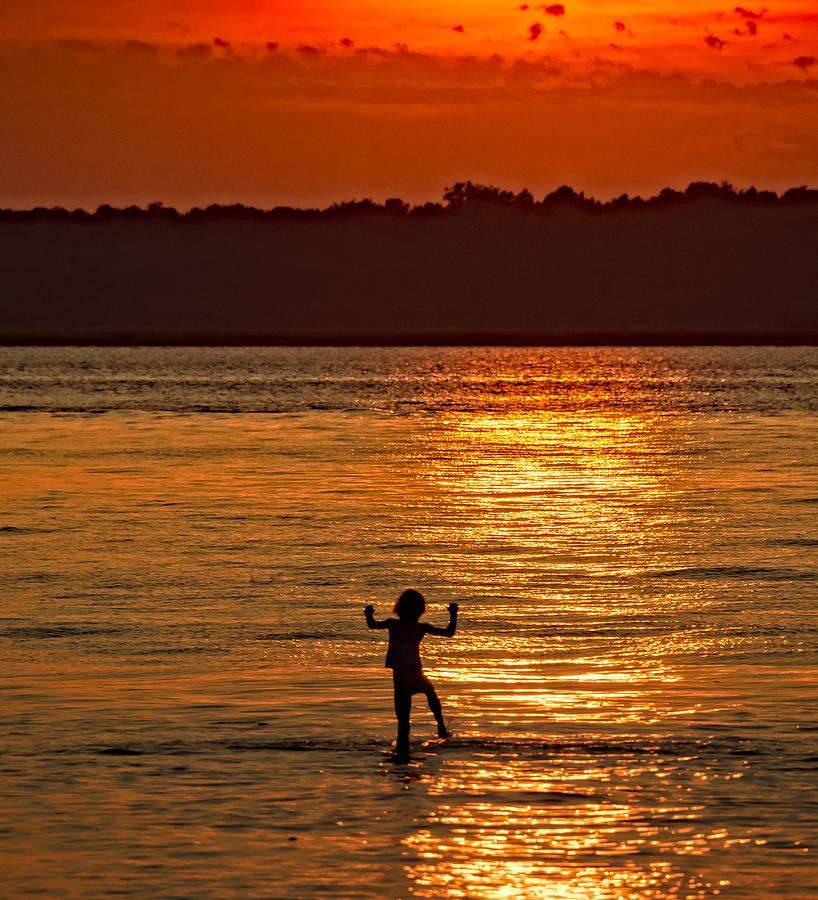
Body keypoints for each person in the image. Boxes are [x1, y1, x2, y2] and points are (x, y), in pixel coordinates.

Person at [364, 589, 459, 761]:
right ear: (421, 611)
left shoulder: (393, 624)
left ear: (399, 608)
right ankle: (440, 725)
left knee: (403, 722)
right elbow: (449, 633)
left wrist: (368, 614)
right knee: (430, 693)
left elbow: (372, 625)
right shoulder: (421, 627)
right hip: (416, 675)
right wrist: (453, 614)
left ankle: (402, 754)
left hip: (400, 679)